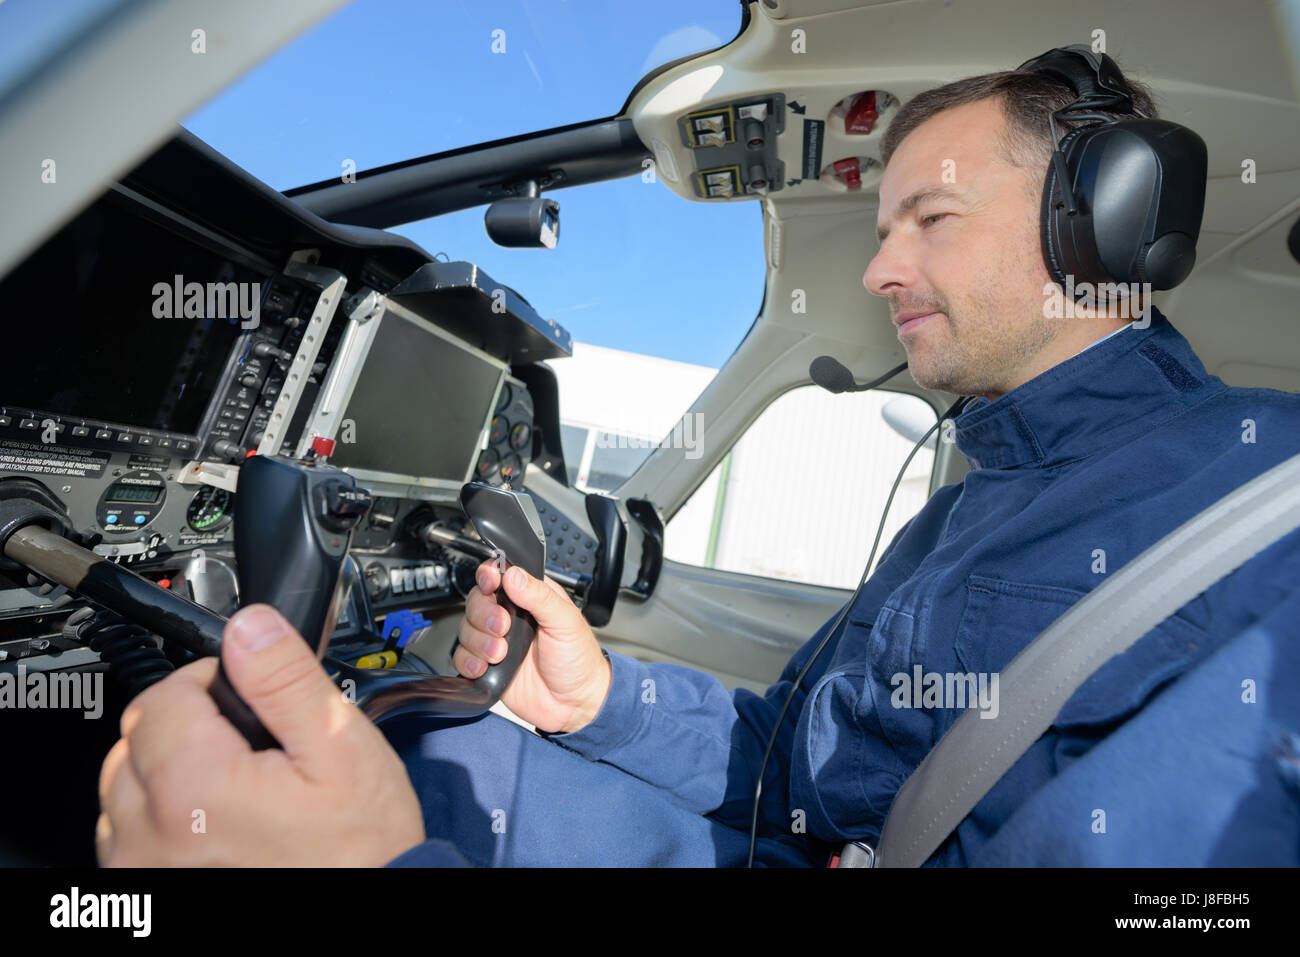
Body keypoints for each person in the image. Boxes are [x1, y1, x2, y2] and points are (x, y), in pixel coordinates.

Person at [96, 56, 1300, 867]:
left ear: (1098, 221)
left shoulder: (1264, 511)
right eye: (882, 233)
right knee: (428, 731)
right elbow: (800, 762)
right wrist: (602, 701)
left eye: (927, 219)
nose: (881, 273)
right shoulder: (965, 511)